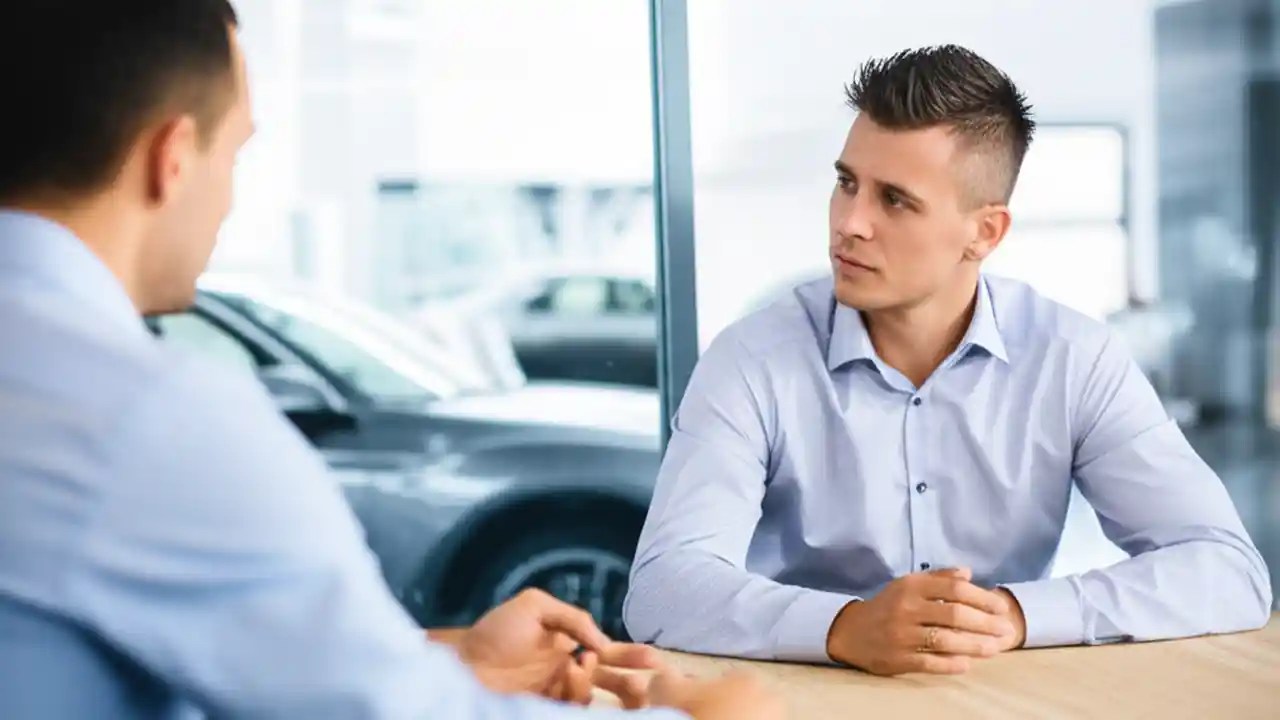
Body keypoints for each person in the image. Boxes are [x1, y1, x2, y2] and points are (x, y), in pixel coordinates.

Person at [0, 2, 784, 718]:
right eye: (233, 155)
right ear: (170, 159)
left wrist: (453, 657)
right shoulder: (146, 418)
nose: (229, 200)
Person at [624, 45, 1272, 677]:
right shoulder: (752, 358)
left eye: (894, 199)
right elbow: (662, 587)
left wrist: (1013, 615)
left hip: (989, 695)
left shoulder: (1074, 358)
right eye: (846, 183)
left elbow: (1227, 569)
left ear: (984, 232)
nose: (849, 222)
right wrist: (846, 626)